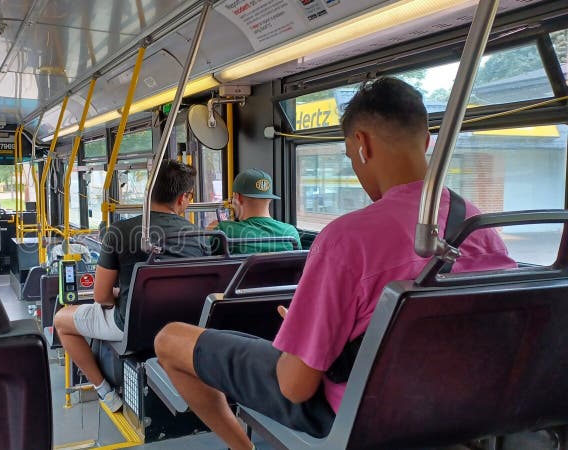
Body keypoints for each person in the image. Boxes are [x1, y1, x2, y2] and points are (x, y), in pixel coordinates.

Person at [153, 77, 517, 450]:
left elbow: (294, 387)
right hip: (458, 407)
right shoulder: (478, 224)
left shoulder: (347, 238)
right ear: (426, 142)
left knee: (170, 340)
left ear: (361, 144)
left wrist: (301, 340)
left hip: (356, 415)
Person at [54, 159, 208, 412]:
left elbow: (101, 296)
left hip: (132, 326)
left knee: (62, 320)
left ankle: (105, 392)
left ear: (149, 193)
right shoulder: (201, 236)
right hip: (186, 325)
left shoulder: (119, 231)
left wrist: (122, 294)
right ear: (183, 198)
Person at [209, 168, 300, 254]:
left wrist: (210, 232)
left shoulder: (224, 231)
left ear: (238, 197)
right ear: (270, 199)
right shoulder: (291, 233)